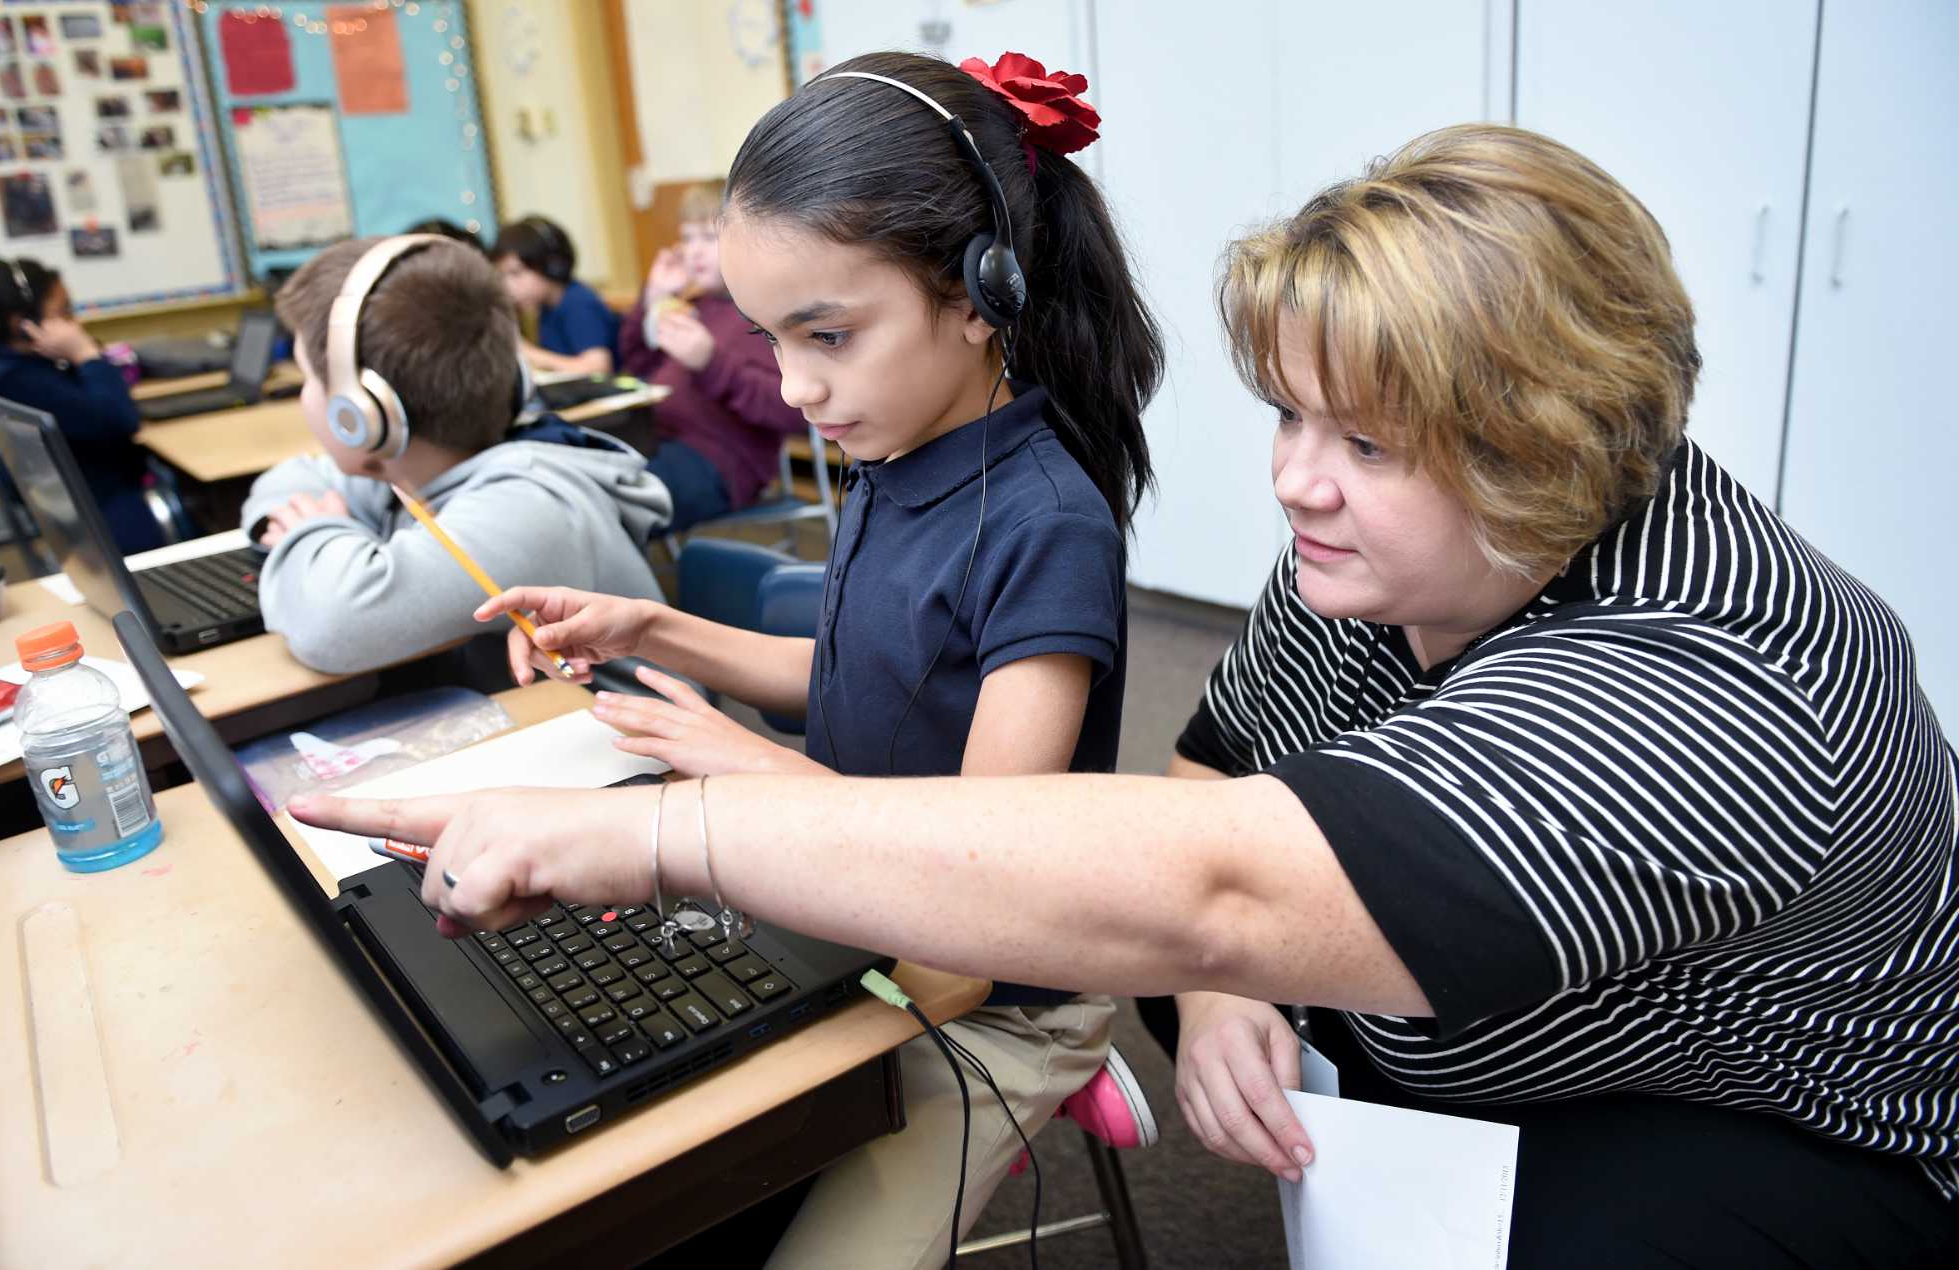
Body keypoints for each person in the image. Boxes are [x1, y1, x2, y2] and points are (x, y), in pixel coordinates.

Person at [295, 125, 1959, 1266]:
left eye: (1366, 443)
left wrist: (660, 835)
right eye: (1290, 416)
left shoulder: (1719, 680)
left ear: (1546, 443)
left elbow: (1222, 882)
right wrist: (1230, 997)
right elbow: (1207, 776)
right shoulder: (1400, 559)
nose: (1294, 483)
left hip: (1731, 1125)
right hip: (1451, 1042)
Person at [482, 50, 1155, 1269]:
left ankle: (1066, 1063)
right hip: (848, 918)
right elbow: (854, 671)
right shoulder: (891, 453)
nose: (794, 386)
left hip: (982, 994)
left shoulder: (1044, 522)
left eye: (829, 335)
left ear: (982, 292)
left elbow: (985, 866)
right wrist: (650, 628)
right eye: (770, 339)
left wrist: (749, 770)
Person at [242, 235, 670, 679]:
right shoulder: (412, 467)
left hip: (611, 723)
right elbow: (291, 478)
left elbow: (331, 628)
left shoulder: (526, 509)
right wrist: (326, 537)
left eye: (308, 378)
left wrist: (314, 530)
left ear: (361, 412)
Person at [616, 180, 809, 532]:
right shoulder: (694, 305)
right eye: (687, 239)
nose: (694, 252)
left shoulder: (764, 314)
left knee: (609, 503)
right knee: (585, 479)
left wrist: (710, 362)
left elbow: (793, 411)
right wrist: (652, 298)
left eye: (708, 237)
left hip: (720, 460)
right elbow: (639, 365)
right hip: (659, 439)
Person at [0, 256, 164, 553]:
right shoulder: (15, 381)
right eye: (64, 312)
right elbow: (121, 418)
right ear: (21, 323)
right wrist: (85, 353)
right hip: (105, 517)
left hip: (86, 507)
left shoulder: (2, 367)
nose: (75, 323)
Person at [491, 215, 618, 377]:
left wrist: (527, 351)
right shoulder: (547, 308)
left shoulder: (578, 304)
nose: (507, 286)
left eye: (516, 273)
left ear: (552, 266)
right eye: (502, 275)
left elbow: (598, 368)